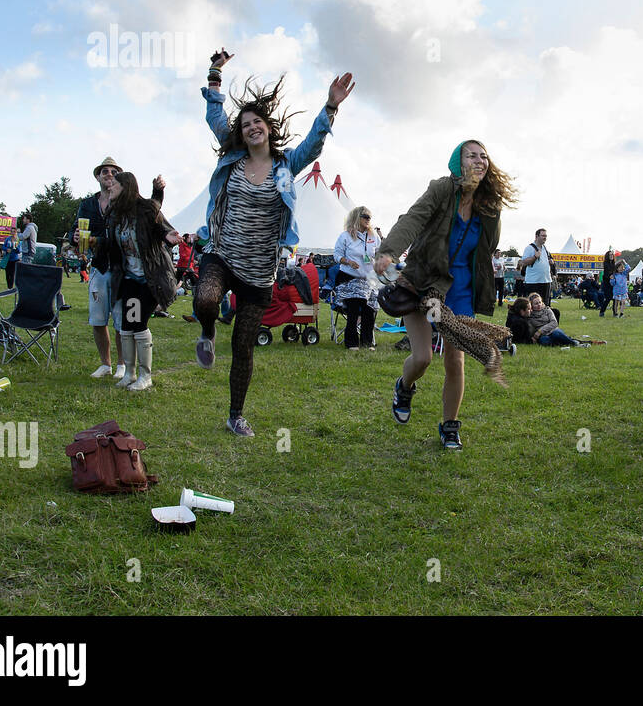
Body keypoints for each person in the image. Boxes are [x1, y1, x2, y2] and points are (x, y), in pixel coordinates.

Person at [193, 50, 355, 437]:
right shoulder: (232, 157)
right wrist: (214, 75)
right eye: (245, 123)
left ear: (268, 127)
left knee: (245, 346)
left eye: (257, 122)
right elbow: (215, 118)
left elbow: (314, 146)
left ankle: (235, 415)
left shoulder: (286, 165)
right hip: (223, 253)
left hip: (259, 270)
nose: (251, 127)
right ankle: (207, 332)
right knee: (205, 300)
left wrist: (330, 107)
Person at [376, 140, 516, 451]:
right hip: (422, 281)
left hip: (461, 288)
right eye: (471, 155)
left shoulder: (488, 205)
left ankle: (449, 425)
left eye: (484, 156)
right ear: (457, 162)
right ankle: (404, 386)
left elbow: (489, 246)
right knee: (423, 357)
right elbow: (412, 219)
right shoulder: (441, 190)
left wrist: (489, 206)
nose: (479, 160)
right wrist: (388, 251)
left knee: (456, 359)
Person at [103, 172, 181, 391]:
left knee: (139, 324)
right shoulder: (115, 214)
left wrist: (169, 237)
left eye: (115, 185)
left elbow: (159, 225)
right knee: (127, 325)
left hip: (150, 277)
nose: (111, 187)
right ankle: (129, 373)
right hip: (129, 279)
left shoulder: (145, 210)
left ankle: (145, 377)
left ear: (126, 186)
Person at [71, 157, 135, 380]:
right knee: (98, 319)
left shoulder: (125, 203)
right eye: (104, 171)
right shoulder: (88, 204)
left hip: (121, 268)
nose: (109, 174)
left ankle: (121, 364)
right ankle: (105, 364)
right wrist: (75, 236)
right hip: (98, 266)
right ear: (97, 177)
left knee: (120, 320)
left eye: (113, 171)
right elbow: (74, 232)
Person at [333, 205, 380, 351]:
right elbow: (337, 256)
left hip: (368, 279)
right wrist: (347, 261)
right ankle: (351, 342)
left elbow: (380, 252)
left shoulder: (374, 236)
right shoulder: (345, 236)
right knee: (353, 308)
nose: (368, 219)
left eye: (369, 217)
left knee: (370, 309)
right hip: (349, 277)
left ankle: (366, 342)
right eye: (365, 216)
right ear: (356, 218)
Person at [524, 291, 589, 347]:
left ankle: (573, 343)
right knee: (545, 341)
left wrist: (540, 331)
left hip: (552, 330)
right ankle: (562, 342)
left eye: (540, 302)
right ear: (531, 305)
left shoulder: (547, 310)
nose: (539, 305)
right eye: (536, 303)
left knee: (556, 334)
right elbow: (531, 328)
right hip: (542, 335)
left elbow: (554, 322)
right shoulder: (530, 315)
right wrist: (534, 336)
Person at [518, 228, 554, 306]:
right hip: (533, 282)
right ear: (537, 236)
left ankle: (544, 318)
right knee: (533, 305)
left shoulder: (545, 248)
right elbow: (523, 262)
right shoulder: (529, 248)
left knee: (546, 305)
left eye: (546, 236)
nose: (545, 238)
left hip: (546, 281)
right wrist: (534, 256)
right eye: (543, 235)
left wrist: (550, 261)